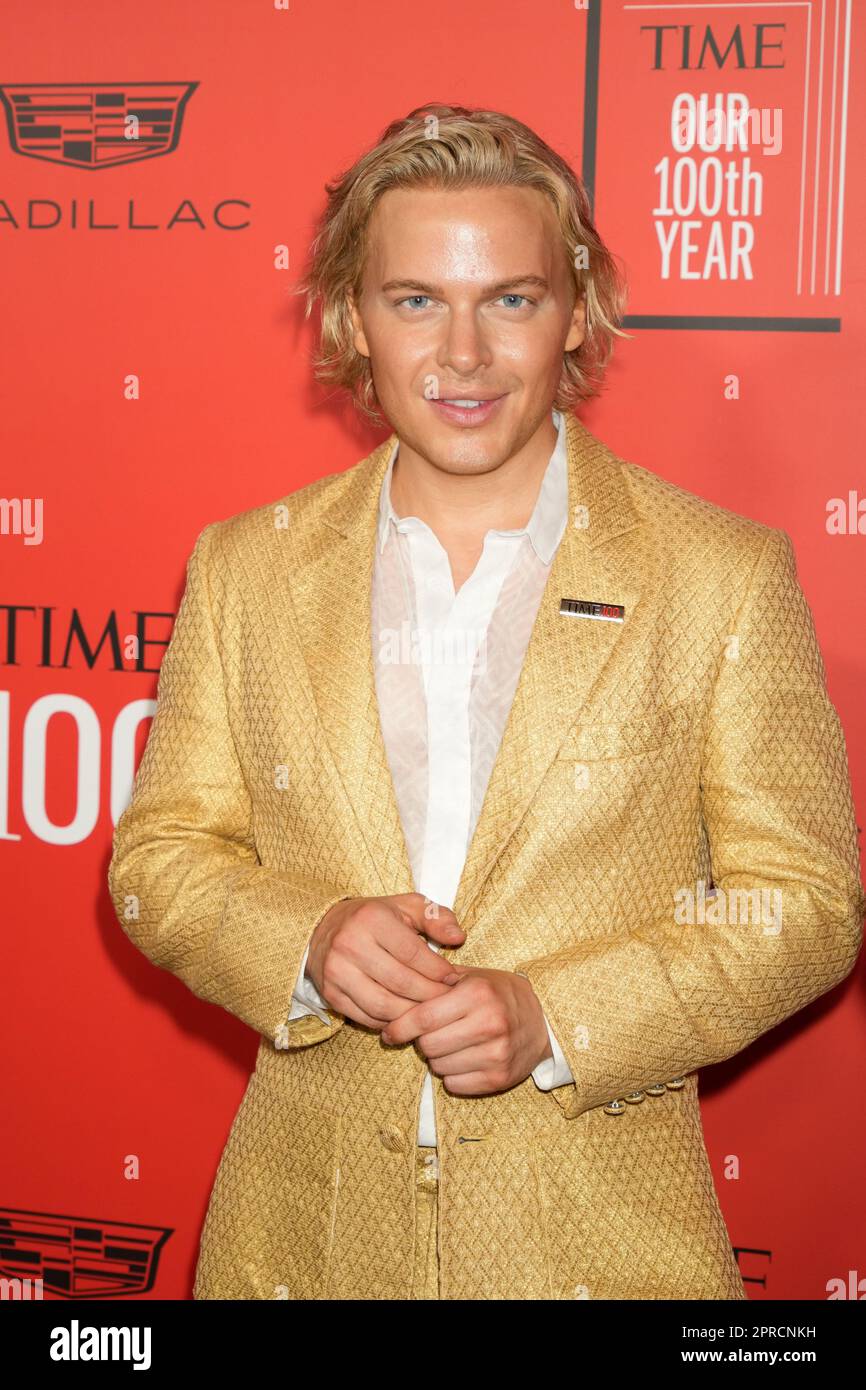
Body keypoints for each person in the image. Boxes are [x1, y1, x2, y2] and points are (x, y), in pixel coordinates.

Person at [108, 104, 865, 1301]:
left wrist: (556, 1013)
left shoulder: (719, 573)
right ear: (354, 318)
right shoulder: (244, 566)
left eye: (508, 300)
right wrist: (302, 937)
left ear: (574, 313)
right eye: (415, 300)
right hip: (298, 1247)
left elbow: (803, 904)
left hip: (601, 1255)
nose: (462, 355)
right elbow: (159, 859)